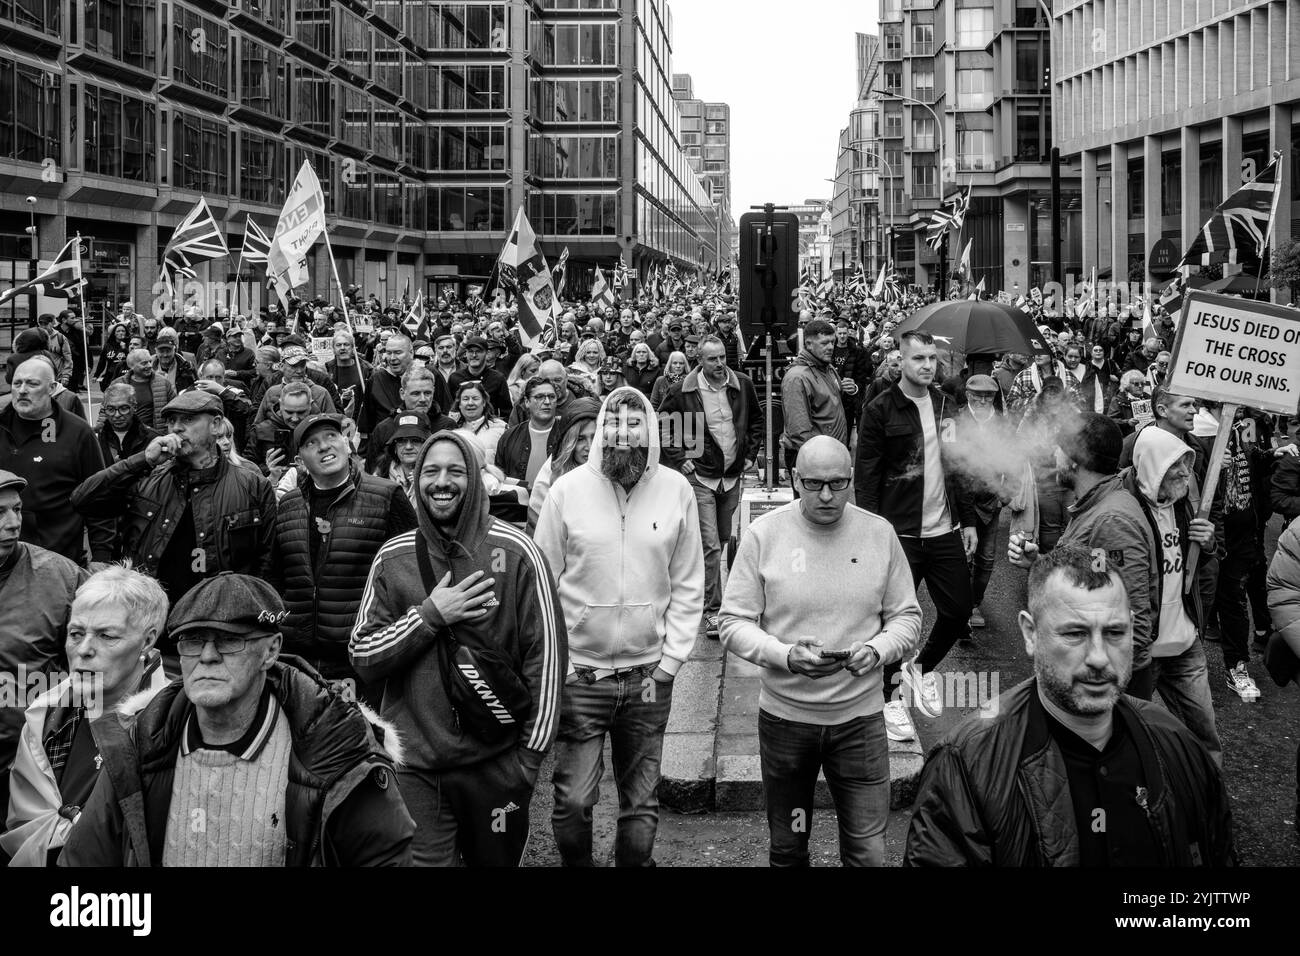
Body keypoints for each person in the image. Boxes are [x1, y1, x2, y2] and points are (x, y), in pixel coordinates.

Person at [904, 546, 1235, 867]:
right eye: (1075, 634)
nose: (1099, 657)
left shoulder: (1177, 744)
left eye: (1115, 632)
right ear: (1030, 633)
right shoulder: (967, 765)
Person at [60, 573, 414, 866]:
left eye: (229, 641)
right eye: (193, 641)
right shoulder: (140, 742)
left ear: (271, 650)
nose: (208, 657)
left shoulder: (336, 749)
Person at [350, 431, 565, 866]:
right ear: (415, 480)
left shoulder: (517, 552)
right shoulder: (393, 557)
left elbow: (547, 662)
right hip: (416, 768)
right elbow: (362, 654)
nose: (441, 481)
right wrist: (427, 617)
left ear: (476, 477)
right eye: (429, 471)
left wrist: (526, 762)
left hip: (495, 765)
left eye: (455, 470)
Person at [720, 436, 921, 867]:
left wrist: (878, 648)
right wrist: (784, 654)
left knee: (867, 851)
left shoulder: (879, 534)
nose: (827, 495)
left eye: (837, 483)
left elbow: (907, 616)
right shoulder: (763, 534)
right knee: (790, 847)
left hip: (861, 723)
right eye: (813, 484)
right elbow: (732, 622)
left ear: (851, 480)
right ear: (795, 479)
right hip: (787, 722)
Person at [535, 388, 704, 867]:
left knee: (642, 803)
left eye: (635, 424)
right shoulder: (567, 491)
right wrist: (559, 662)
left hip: (649, 677)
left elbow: (689, 581)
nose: (623, 434)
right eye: (615, 423)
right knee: (572, 802)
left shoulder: (676, 490)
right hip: (581, 676)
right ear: (601, 429)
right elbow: (543, 580)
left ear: (650, 429)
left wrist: (671, 663)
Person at [2, 567, 169, 866]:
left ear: (147, 641)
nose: (84, 649)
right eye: (76, 634)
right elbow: (23, 830)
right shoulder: (45, 715)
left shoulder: (168, 720)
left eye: (107, 635)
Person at [855, 330, 976, 742]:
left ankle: (919, 672)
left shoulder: (947, 405)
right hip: (899, 531)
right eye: (918, 358)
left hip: (944, 528)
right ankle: (890, 699)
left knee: (958, 611)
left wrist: (970, 520)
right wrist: (870, 530)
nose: (927, 365)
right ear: (900, 362)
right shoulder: (880, 410)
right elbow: (866, 475)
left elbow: (959, 466)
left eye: (932, 359)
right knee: (893, 620)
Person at [71, 391, 277, 604]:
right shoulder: (149, 477)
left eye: (188, 419)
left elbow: (267, 561)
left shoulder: (252, 485)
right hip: (152, 614)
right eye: (171, 420)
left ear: (215, 425)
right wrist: (143, 460)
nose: (176, 427)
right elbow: (83, 500)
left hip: (218, 618)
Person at [272, 413, 416, 704]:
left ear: (348, 444)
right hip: (299, 656)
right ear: (300, 460)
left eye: (331, 437)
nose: (325, 446)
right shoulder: (289, 505)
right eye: (312, 443)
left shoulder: (386, 495)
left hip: (359, 654)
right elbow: (275, 576)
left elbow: (411, 570)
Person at [658, 335, 762, 639]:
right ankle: (713, 611)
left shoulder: (742, 383)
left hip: (731, 474)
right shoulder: (683, 390)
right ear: (700, 361)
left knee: (727, 540)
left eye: (722, 358)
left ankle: (732, 601)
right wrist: (679, 458)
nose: (719, 364)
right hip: (701, 475)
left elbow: (755, 420)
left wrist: (750, 455)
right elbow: (664, 423)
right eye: (712, 359)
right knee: (710, 544)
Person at [0, 471, 88, 826]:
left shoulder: (61, 578)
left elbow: (98, 669)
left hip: (30, 765)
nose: (12, 524)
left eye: (17, 510)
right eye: (0, 513)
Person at [0, 359, 112, 565]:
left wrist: (102, 558)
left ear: (52, 388)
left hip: (56, 562)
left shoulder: (78, 433)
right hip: (4, 560)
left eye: (32, 384)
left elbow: (99, 500)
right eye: (17, 384)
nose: (22, 390)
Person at [952, 375, 1010, 629]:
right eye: (978, 395)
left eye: (988, 396)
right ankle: (961, 607)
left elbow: (1016, 456)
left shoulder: (1003, 423)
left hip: (991, 499)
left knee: (986, 558)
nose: (983, 400)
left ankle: (975, 602)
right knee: (963, 556)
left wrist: (1008, 491)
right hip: (960, 497)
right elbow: (949, 464)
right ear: (968, 395)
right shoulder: (953, 421)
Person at [780, 319, 847, 495]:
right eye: (824, 343)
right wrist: (818, 460)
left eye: (832, 342)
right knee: (809, 515)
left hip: (830, 456)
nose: (831, 347)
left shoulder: (827, 368)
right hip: (813, 460)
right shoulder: (797, 377)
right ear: (809, 344)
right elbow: (799, 430)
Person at [526, 398, 600, 534]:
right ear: (569, 442)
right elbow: (538, 531)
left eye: (595, 437)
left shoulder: (616, 468)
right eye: (580, 439)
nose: (590, 447)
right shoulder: (552, 472)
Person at [498, 377, 563, 489]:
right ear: (527, 402)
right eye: (539, 397)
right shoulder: (509, 437)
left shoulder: (567, 433)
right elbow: (500, 476)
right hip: (518, 503)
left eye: (551, 397)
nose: (547, 402)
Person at [360, 331, 414, 436]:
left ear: (411, 353)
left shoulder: (425, 376)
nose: (392, 358)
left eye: (398, 352)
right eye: (389, 353)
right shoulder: (376, 379)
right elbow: (366, 424)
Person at [95, 382, 160, 465]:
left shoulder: (153, 439)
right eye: (111, 409)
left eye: (123, 408)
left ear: (135, 407)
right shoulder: (95, 440)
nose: (117, 415)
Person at [113, 349, 177, 430]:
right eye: (144, 363)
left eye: (150, 361)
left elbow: (175, 408)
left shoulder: (163, 383)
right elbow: (105, 411)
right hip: (126, 435)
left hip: (156, 436)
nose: (150, 365)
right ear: (131, 366)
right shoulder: (117, 384)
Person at [448, 336, 512, 417]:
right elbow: (449, 408)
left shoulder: (498, 379)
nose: (474, 355)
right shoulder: (455, 378)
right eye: (470, 351)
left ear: (486, 353)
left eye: (478, 351)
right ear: (466, 354)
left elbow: (506, 412)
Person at [378, 411, 432, 504]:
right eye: (401, 441)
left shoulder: (437, 476)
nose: (408, 447)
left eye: (415, 440)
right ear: (394, 447)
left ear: (426, 444)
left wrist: (422, 485)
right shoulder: (380, 476)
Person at [452, 380, 507, 468]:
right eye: (465, 399)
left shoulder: (500, 428)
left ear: (484, 402)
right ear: (459, 404)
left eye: (475, 398)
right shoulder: (453, 430)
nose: (470, 403)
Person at [326, 330, 371, 419]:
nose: (342, 348)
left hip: (360, 420)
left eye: (346, 344)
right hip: (335, 419)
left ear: (353, 348)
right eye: (338, 345)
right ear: (333, 349)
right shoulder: (327, 369)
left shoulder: (366, 369)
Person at [35, 313, 74, 388]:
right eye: (40, 324)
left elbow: (68, 358)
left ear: (53, 324)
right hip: (38, 376)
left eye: (46, 324)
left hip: (56, 377)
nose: (43, 327)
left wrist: (66, 375)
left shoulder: (60, 338)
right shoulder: (34, 337)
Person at [152, 327, 197, 392]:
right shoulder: (149, 366)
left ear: (174, 350)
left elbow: (196, 388)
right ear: (155, 351)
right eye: (161, 351)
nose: (165, 355)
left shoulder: (187, 367)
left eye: (168, 351)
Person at [1107, 370, 1150, 435]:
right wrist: (1127, 422)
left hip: (1147, 435)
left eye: (1142, 383)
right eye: (1136, 384)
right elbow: (1110, 421)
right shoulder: (1118, 400)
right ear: (1127, 385)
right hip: (1128, 437)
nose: (1140, 386)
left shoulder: (1149, 398)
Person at [95, 324, 132, 392]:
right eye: (118, 331)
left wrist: (125, 349)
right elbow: (102, 361)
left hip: (124, 374)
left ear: (126, 333)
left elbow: (133, 358)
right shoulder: (108, 345)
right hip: (110, 375)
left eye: (123, 331)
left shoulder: (130, 344)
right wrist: (96, 375)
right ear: (114, 333)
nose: (120, 333)